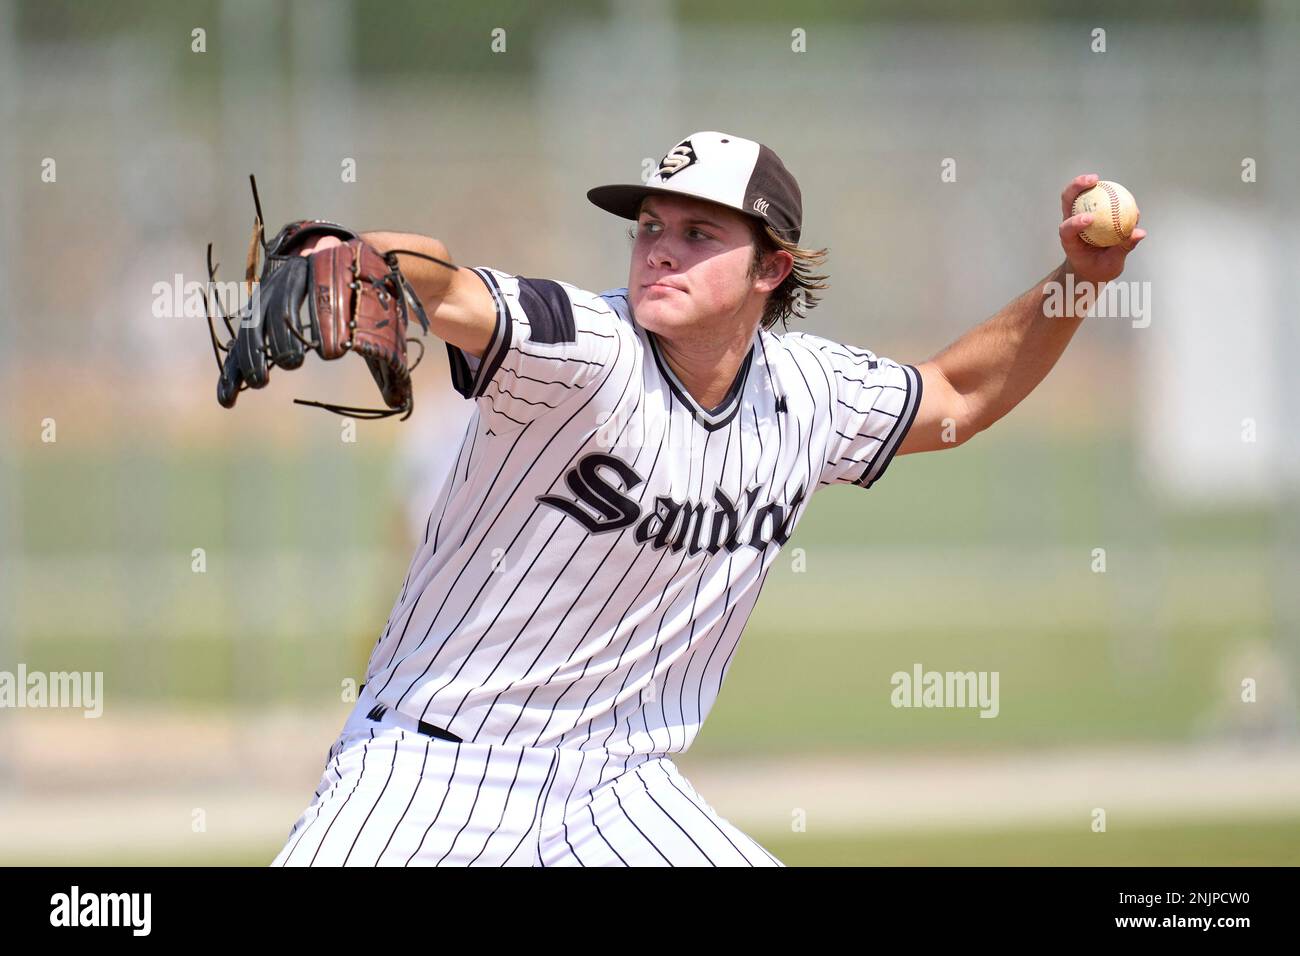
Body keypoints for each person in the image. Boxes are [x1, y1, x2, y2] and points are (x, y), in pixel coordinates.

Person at [271, 130, 1145, 866]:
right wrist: (350, 251)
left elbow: (957, 395)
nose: (659, 246)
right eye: (650, 224)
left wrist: (1080, 280)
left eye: (698, 232)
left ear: (773, 268)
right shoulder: (584, 348)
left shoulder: (812, 395)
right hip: (429, 767)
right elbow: (453, 285)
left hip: (618, 792)